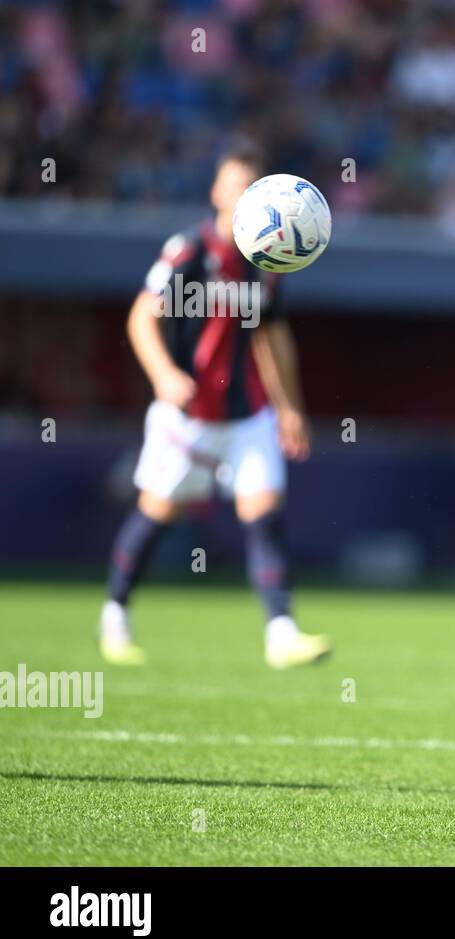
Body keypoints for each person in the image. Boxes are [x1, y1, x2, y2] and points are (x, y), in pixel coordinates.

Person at [98, 146, 329, 670]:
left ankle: (281, 631)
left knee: (264, 517)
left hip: (248, 415)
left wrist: (290, 406)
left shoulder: (267, 263)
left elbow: (273, 337)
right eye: (235, 184)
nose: (243, 192)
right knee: (158, 514)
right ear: (216, 193)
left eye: (253, 184)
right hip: (189, 417)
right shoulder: (189, 252)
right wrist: (163, 374)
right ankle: (115, 612)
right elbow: (141, 317)